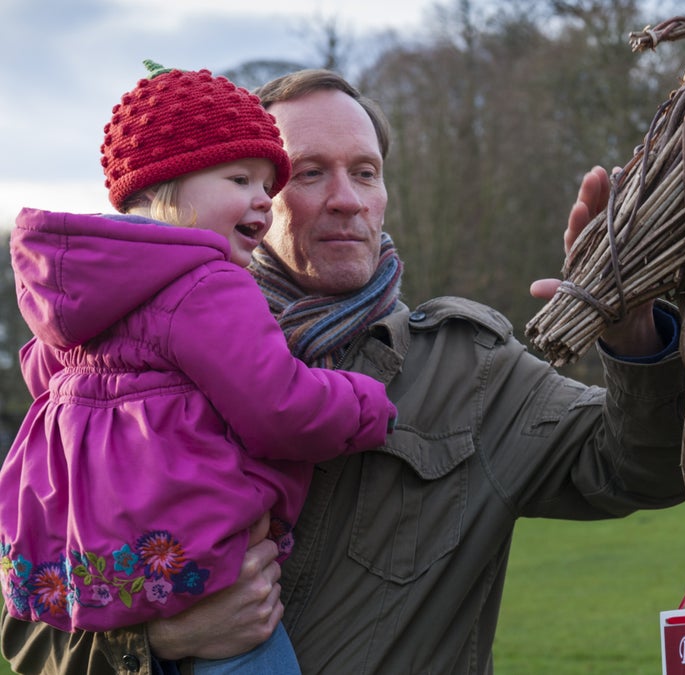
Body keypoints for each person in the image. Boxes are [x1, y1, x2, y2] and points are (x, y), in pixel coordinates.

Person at [0, 68, 685, 674]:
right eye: (308, 172)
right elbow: (27, 626)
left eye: (365, 171)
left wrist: (631, 335)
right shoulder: (114, 374)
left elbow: (640, 465)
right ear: (257, 200)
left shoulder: (468, 367)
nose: (347, 199)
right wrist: (157, 639)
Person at [0, 61, 399, 673]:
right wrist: (365, 400)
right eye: (241, 179)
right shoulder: (209, 283)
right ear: (163, 189)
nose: (262, 201)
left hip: (101, 568)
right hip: (213, 574)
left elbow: (42, 380)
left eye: (268, 184)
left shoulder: (75, 295)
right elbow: (279, 407)